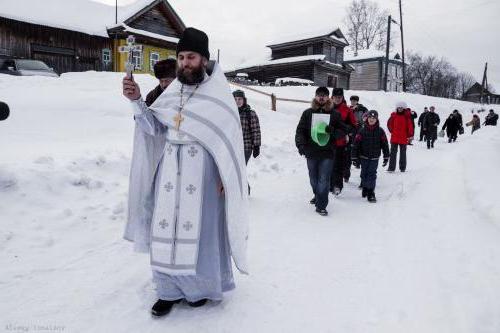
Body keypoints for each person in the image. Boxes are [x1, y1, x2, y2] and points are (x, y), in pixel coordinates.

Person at [122, 27, 249, 317]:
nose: (184, 63)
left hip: (203, 177)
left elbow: (229, 141)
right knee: (166, 229)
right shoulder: (174, 91)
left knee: (199, 233)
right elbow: (153, 128)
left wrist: (225, 178)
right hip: (169, 175)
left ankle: (197, 290)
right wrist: (136, 100)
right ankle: (167, 290)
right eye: (181, 57)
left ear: (204, 59)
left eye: (191, 57)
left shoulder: (219, 96)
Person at [295, 87, 348, 216]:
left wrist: (333, 131)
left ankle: (321, 205)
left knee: (323, 179)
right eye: (319, 95)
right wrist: (301, 145)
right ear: (315, 96)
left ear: (328, 97)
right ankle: (317, 194)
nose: (321, 97)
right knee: (313, 179)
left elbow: (344, 131)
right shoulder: (307, 113)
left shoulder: (335, 114)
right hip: (311, 152)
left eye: (324, 95)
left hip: (327, 153)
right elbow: (300, 130)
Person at [351, 110, 389, 203]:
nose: (372, 120)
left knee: (372, 174)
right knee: (364, 174)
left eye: (374, 118)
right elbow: (356, 144)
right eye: (370, 118)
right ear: (367, 118)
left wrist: (386, 156)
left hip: (374, 157)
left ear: (376, 119)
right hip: (364, 157)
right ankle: (365, 187)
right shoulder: (362, 131)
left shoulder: (380, 131)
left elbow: (385, 144)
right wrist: (354, 157)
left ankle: (371, 192)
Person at [233, 89, 261, 195]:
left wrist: (256, 146)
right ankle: (241, 190)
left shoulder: (250, 113)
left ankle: (245, 191)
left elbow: (256, 130)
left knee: (239, 168)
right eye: (235, 99)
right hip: (233, 146)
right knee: (235, 169)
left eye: (240, 99)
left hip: (246, 147)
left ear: (244, 100)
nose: (237, 101)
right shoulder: (230, 112)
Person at [330, 88, 356, 195]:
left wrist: (346, 131)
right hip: (327, 142)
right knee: (328, 165)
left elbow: (354, 126)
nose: (337, 99)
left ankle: (337, 186)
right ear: (332, 97)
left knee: (338, 165)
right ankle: (329, 185)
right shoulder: (327, 108)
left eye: (339, 97)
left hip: (341, 142)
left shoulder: (347, 110)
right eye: (335, 97)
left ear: (342, 98)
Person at [387, 101, 414, 172]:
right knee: (392, 153)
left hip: (403, 137)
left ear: (404, 108)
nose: (400, 109)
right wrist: (392, 131)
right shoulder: (393, 115)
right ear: (397, 108)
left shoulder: (407, 116)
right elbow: (389, 124)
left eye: (401, 107)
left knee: (403, 153)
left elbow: (410, 126)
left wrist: (410, 135)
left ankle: (402, 168)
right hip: (394, 137)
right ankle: (391, 168)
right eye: (398, 107)